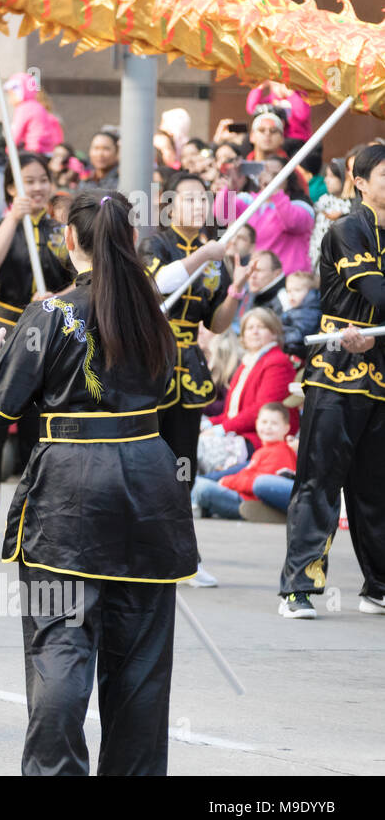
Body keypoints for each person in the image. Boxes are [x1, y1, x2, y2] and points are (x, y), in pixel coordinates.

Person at [0, 188, 194, 775]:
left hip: (70, 494)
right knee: (141, 665)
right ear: (128, 240)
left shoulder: (51, 312)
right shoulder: (154, 312)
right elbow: (171, 400)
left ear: (70, 240)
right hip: (148, 486)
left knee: (60, 650)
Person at [279, 143, 385, 620]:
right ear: (360, 181)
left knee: (376, 486)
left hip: (380, 372)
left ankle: (378, 586)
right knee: (320, 481)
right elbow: (375, 292)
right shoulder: (348, 228)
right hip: (337, 370)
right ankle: (299, 587)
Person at [0, 152, 72, 561]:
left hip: (44, 341)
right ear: (11, 188)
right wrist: (12, 217)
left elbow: (82, 282)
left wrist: (53, 299)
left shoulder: (64, 232)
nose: (37, 187)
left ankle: (32, 528)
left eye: (42, 179)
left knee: (36, 437)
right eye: (28, 181)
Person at [140, 171, 247, 588]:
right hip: (154, 361)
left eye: (203, 201)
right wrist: (204, 254)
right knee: (150, 461)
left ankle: (183, 554)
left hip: (191, 365)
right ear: (169, 206)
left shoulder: (215, 254)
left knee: (183, 463)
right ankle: (143, 551)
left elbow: (216, 324)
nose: (197, 208)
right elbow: (154, 289)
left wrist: (236, 290)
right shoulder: (157, 244)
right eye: (188, 200)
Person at [205, 307, 300, 451]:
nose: (254, 332)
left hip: (261, 440)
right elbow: (231, 414)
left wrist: (222, 429)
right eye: (249, 328)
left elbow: (261, 409)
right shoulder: (248, 362)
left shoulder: (277, 362)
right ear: (243, 335)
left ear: (274, 333)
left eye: (261, 327)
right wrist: (211, 423)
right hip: (242, 433)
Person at [192, 403, 296, 521]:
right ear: (257, 424)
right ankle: (202, 507)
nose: (268, 427)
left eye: (274, 423)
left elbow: (260, 482)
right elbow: (248, 475)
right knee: (196, 483)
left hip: (247, 502)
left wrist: (227, 481)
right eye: (264, 422)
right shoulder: (262, 451)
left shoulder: (281, 451)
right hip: (240, 496)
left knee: (201, 486)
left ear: (287, 428)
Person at [216, 159, 314, 274]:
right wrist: (231, 188)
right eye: (265, 171)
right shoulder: (248, 200)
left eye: (276, 174)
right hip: (253, 276)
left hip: (288, 280)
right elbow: (221, 216)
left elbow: (292, 223)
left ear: (287, 178)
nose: (269, 177)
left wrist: (275, 192)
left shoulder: (300, 205)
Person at [3, 73, 63, 154]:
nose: (10, 98)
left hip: (33, 150)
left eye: (11, 94)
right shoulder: (37, 106)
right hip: (47, 150)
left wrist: (8, 151)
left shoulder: (24, 108)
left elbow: (15, 134)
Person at [279, 270, 321, 358]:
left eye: (297, 290)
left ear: (310, 292)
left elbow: (299, 336)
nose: (291, 295)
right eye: (288, 291)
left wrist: (279, 338)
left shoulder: (309, 312)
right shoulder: (296, 310)